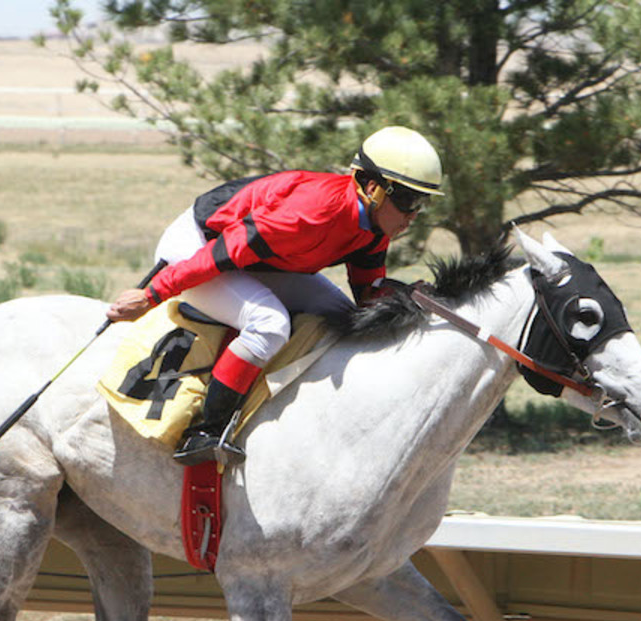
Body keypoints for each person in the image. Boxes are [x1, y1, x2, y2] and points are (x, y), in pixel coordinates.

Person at [107, 125, 444, 466]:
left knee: (339, 314)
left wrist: (408, 296)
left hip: (255, 259)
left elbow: (367, 294)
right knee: (269, 323)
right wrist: (152, 294)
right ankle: (205, 433)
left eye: (422, 204)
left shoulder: (374, 229)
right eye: (408, 201)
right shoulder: (312, 212)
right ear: (374, 189)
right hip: (199, 246)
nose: (413, 216)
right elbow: (221, 254)